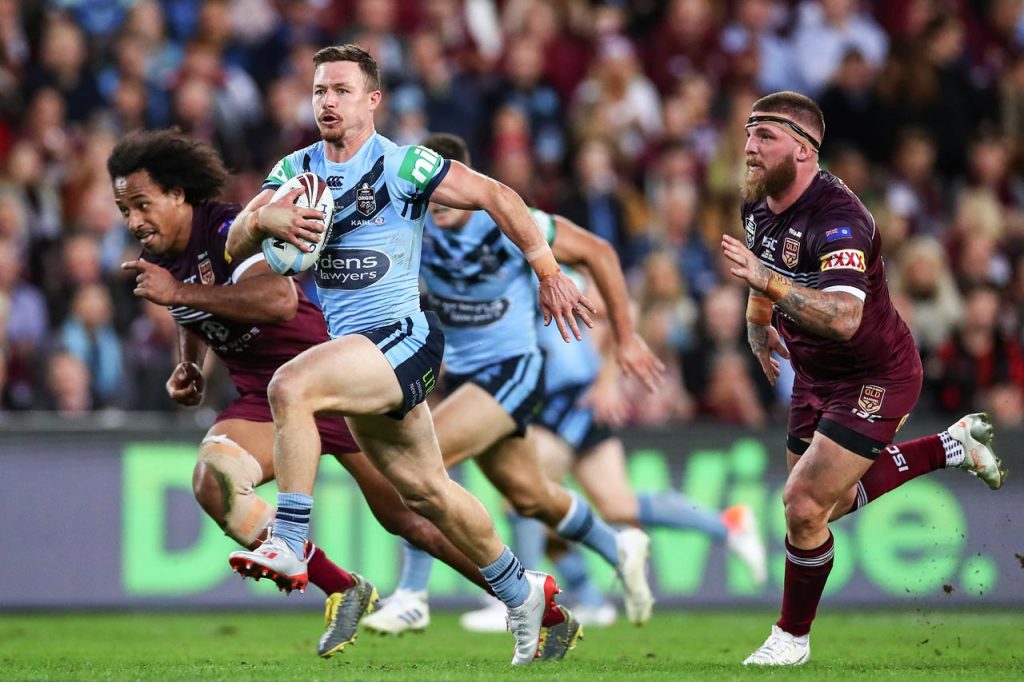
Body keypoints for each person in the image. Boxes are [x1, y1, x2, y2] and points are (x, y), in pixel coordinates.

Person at [107, 129, 573, 662]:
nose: (134, 221)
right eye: (124, 210)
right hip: (268, 396)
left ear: (177, 194)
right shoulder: (164, 255)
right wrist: (190, 362)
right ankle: (342, 586)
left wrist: (182, 291)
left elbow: (277, 299)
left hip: (330, 373)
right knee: (213, 484)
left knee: (415, 514)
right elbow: (190, 306)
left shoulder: (224, 228)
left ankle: (536, 607)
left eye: (141, 204)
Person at [223, 45, 591, 666]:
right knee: (427, 494)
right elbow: (235, 243)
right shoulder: (295, 170)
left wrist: (548, 271)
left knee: (290, 387)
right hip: (359, 354)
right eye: (319, 91)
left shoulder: (404, 165)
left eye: (341, 90)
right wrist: (264, 223)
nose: (327, 102)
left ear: (373, 100)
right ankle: (526, 596)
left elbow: (499, 195)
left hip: (403, 338)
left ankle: (287, 538)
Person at [722, 91, 1006, 666]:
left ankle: (791, 639)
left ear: (804, 150)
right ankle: (952, 446)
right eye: (749, 134)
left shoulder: (840, 219)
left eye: (765, 136)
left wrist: (768, 286)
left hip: (875, 374)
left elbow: (844, 318)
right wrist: (757, 323)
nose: (750, 147)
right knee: (818, 507)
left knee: (804, 505)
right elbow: (762, 266)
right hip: (814, 373)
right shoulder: (757, 200)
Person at [361, 133, 663, 636]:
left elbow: (598, 251)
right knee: (531, 497)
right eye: (428, 192)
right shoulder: (412, 226)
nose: (438, 201)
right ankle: (619, 547)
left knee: (423, 461)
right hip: (465, 378)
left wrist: (627, 338)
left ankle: (413, 594)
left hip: (514, 370)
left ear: (461, 183)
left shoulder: (508, 220)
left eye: (444, 189)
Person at [458, 272, 767, 632]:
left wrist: (608, 381)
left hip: (570, 399)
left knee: (524, 494)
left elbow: (624, 310)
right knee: (613, 506)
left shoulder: (553, 260)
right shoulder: (504, 266)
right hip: (554, 400)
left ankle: (522, 599)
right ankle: (725, 527)